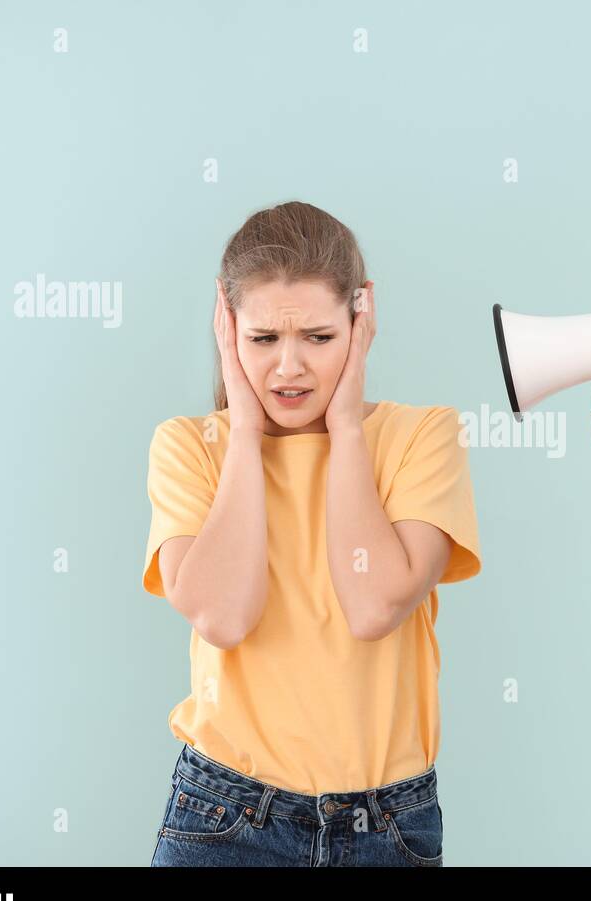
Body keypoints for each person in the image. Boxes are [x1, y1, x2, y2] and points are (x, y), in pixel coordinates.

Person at [142, 201, 481, 866]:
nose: (289, 369)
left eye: (320, 339)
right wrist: (244, 432)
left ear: (362, 321)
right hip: (224, 817)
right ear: (227, 326)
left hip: (386, 826)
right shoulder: (190, 448)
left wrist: (347, 428)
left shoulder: (421, 437)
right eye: (263, 339)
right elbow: (223, 615)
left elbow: (374, 604)